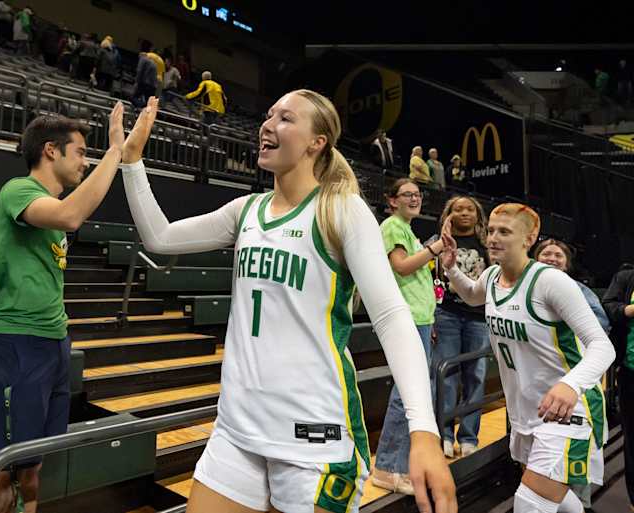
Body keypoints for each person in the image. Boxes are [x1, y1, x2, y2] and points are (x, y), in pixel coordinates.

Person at [122, 90, 456, 513]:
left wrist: (423, 430)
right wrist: (132, 161)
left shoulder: (341, 210)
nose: (267, 124)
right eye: (268, 115)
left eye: (285, 118)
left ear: (317, 142)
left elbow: (391, 317)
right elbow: (161, 237)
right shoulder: (246, 210)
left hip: (314, 438)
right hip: (237, 430)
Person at [0, 98, 159, 513]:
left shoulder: (49, 204)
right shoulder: (18, 191)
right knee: (2, 475)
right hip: (15, 342)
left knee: (32, 472)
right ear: (50, 151)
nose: (85, 163)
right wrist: (117, 151)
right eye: (80, 153)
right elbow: (72, 215)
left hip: (53, 343)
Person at [441, 203, 614, 513]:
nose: (493, 238)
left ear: (530, 237)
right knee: (555, 502)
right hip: (525, 413)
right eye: (491, 230)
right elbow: (471, 296)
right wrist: (451, 267)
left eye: (504, 232)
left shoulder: (550, 281)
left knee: (528, 505)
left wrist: (570, 384)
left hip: (566, 411)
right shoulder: (492, 275)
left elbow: (603, 346)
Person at [373, 178, 443, 494]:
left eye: (418, 194)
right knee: (408, 394)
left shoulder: (408, 229)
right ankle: (388, 467)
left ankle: (395, 466)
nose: (414, 199)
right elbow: (401, 267)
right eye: (407, 195)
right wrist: (434, 249)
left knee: (412, 394)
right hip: (408, 318)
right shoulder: (392, 226)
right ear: (392, 201)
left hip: (420, 319)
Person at [431, 196, 490, 459]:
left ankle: (468, 436)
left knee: (475, 376)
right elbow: (427, 280)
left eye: (470, 209)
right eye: (458, 209)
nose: (464, 213)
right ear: (449, 214)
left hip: (479, 318)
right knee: (447, 375)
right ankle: (443, 434)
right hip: (447, 315)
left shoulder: (487, 244)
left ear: (478, 215)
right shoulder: (435, 242)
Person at [602, 265, 634, 510]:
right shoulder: (625, 276)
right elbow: (609, 308)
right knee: (632, 439)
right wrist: (628, 310)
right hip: (630, 372)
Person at [534, 238, 610, 334]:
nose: (552, 259)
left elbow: (601, 324)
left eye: (558, 255)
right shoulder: (522, 284)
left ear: (566, 265)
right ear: (536, 260)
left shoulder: (580, 289)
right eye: (546, 254)